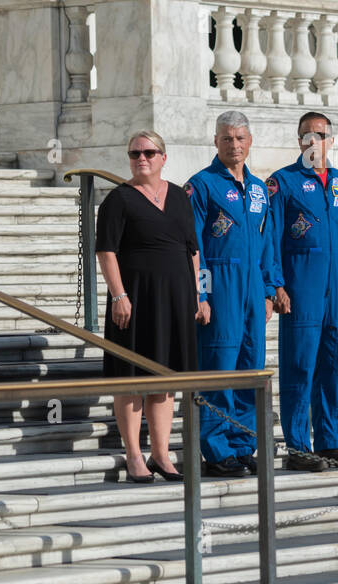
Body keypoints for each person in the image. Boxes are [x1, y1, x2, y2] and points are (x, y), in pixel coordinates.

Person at [95, 131, 199, 484]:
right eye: (135, 153)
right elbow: (106, 251)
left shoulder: (181, 198)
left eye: (149, 152)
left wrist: (198, 295)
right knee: (130, 377)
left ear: (163, 157)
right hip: (135, 299)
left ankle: (160, 452)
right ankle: (134, 455)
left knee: (164, 379)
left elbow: (193, 250)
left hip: (175, 299)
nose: (142, 158)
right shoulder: (118, 200)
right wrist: (118, 295)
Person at [185, 111, 282, 477]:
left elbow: (267, 241)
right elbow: (194, 247)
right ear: (215, 142)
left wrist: (270, 289)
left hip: (253, 289)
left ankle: (243, 445)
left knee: (249, 367)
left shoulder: (259, 189)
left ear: (250, 141)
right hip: (221, 286)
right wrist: (201, 294)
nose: (234, 145)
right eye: (227, 138)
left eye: (240, 138)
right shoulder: (202, 186)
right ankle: (216, 448)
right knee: (218, 367)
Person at [267, 112, 338, 471]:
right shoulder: (283, 183)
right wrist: (275, 284)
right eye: (307, 135)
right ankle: (299, 447)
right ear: (299, 141)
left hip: (334, 287)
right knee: (299, 366)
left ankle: (329, 442)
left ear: (331, 140)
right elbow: (270, 240)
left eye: (320, 135)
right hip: (300, 288)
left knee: (330, 366)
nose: (314, 141)